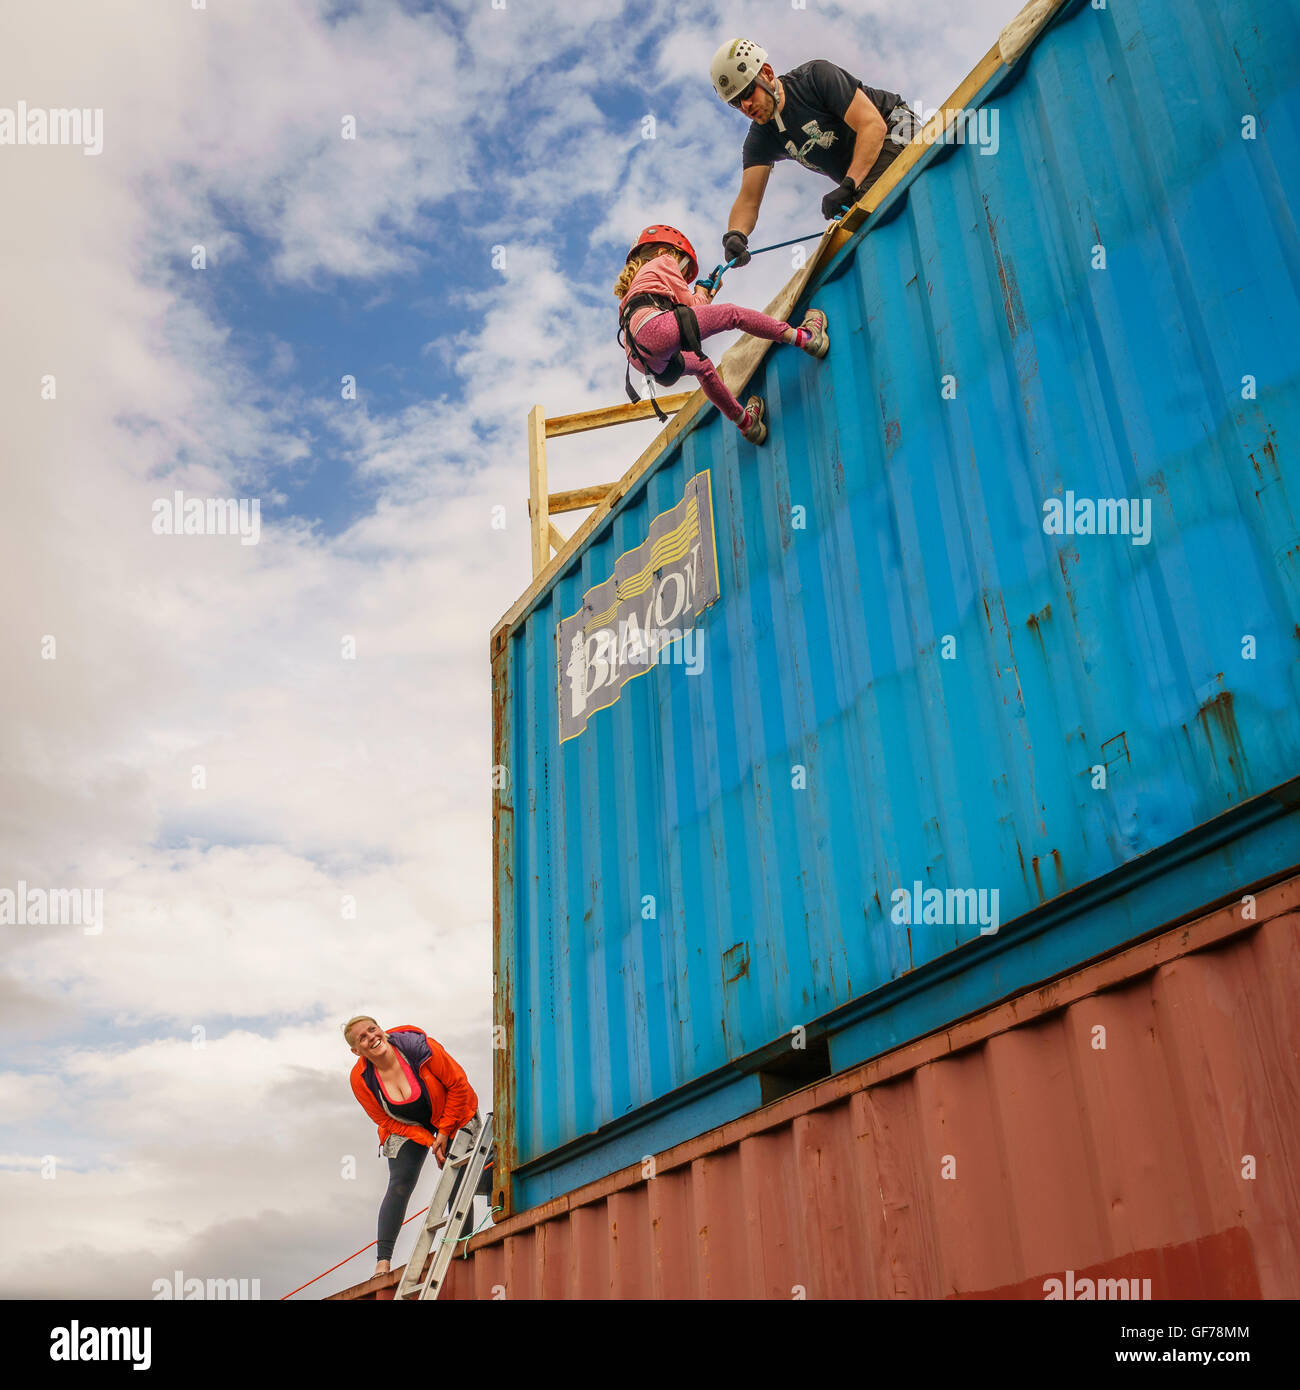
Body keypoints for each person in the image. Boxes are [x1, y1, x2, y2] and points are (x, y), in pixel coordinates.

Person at [709, 38, 919, 269]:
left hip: (895, 126)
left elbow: (872, 126)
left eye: (748, 91)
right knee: (851, 229)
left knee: (868, 203)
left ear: (767, 73)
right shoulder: (760, 139)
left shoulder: (815, 77)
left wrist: (849, 185)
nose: (746, 106)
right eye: (735, 102)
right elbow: (748, 199)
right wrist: (735, 236)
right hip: (862, 176)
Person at [616, 222, 828, 447]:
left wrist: (705, 295)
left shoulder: (635, 288)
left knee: (703, 367)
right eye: (684, 269)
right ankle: (806, 338)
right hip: (656, 330)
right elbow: (690, 307)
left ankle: (747, 424)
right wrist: (700, 292)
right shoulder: (665, 261)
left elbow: (688, 313)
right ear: (664, 252)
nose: (683, 276)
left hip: (641, 358)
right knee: (732, 314)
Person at [344, 1015, 479, 1279]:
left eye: (373, 1030)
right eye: (362, 1037)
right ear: (356, 1051)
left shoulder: (420, 1047)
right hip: (403, 1123)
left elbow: (458, 1085)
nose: (371, 1037)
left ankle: (462, 1244)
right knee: (399, 1182)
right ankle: (382, 1262)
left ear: (381, 1029)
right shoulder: (361, 1079)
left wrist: (444, 1131)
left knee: (455, 1171)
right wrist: (430, 1141)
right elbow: (383, 1119)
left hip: (452, 1107)